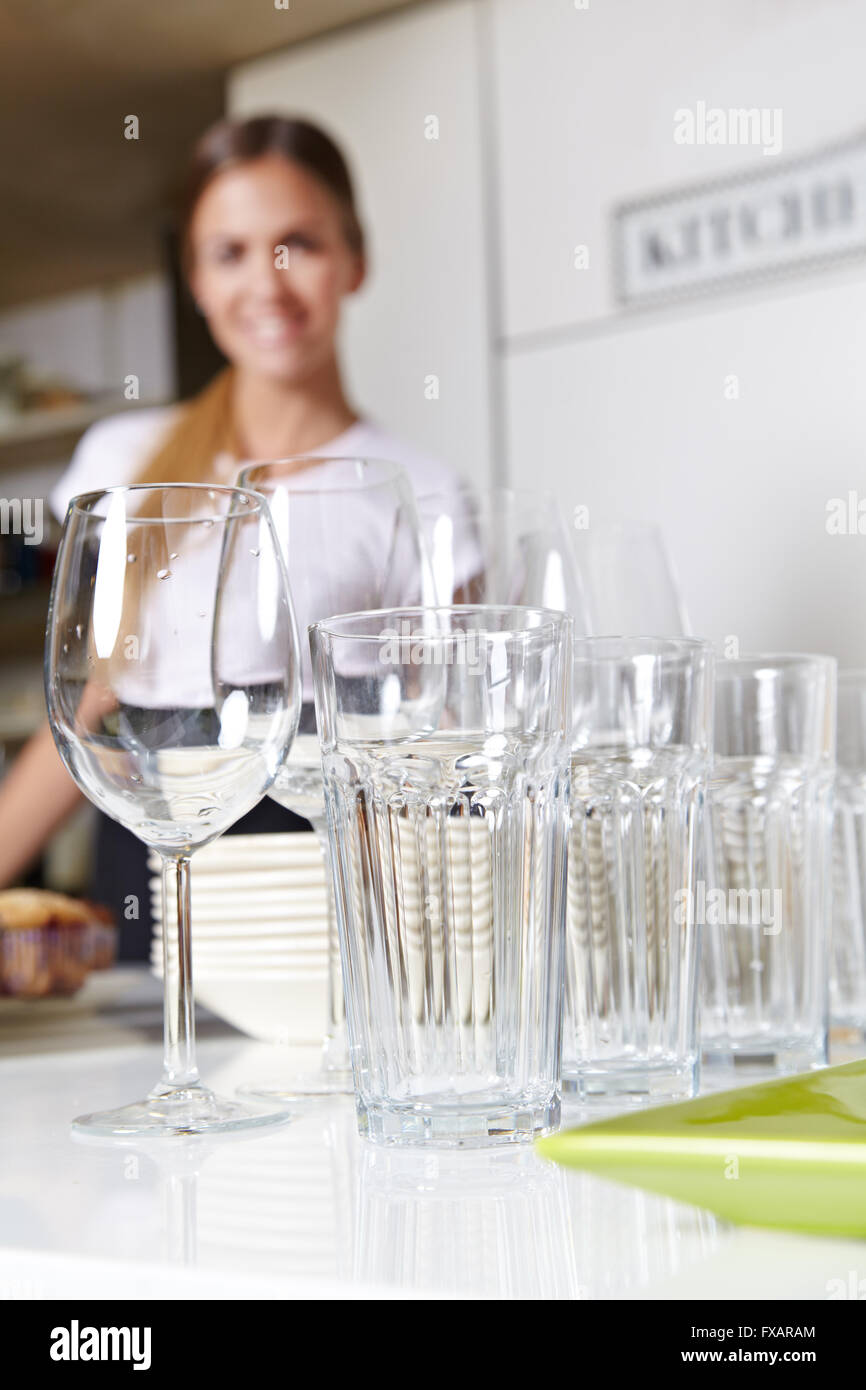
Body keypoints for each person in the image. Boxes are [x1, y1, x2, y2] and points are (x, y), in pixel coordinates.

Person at [0, 114, 461, 956]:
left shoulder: (420, 489)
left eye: (299, 245)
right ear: (197, 284)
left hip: (332, 893)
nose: (268, 283)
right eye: (230, 253)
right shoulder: (124, 461)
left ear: (355, 261)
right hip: (156, 871)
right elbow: (90, 704)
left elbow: (451, 743)